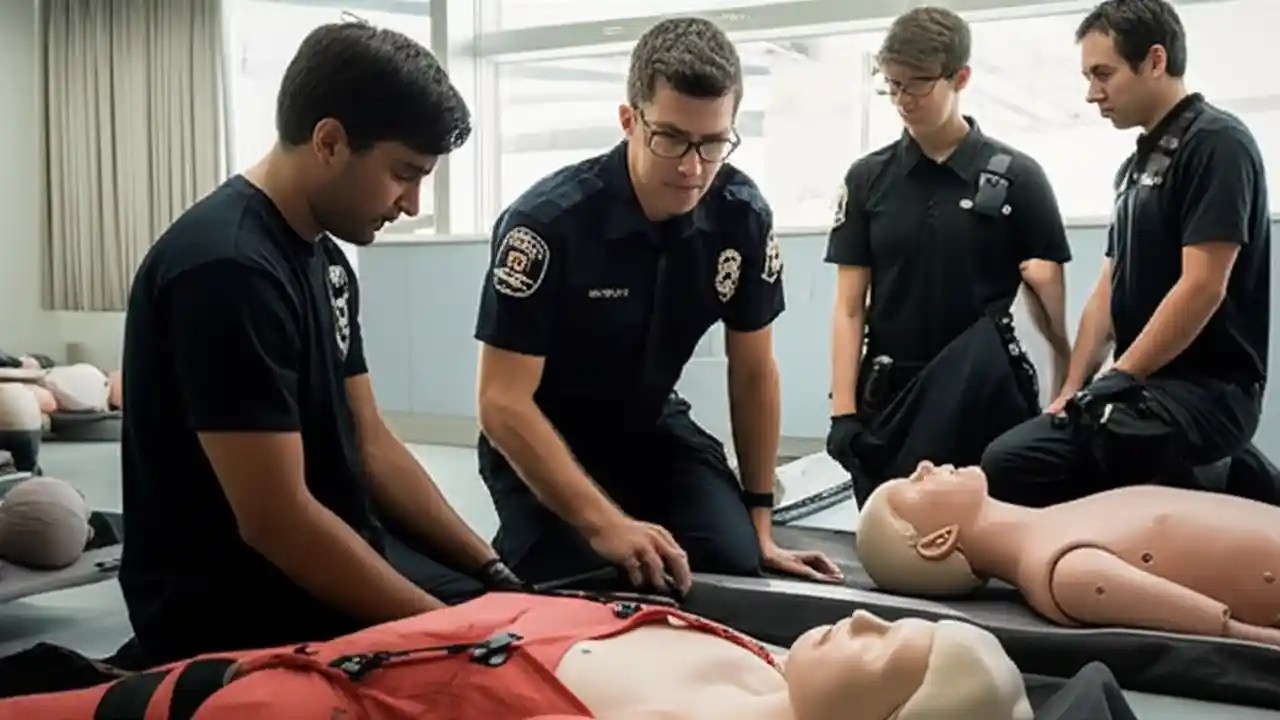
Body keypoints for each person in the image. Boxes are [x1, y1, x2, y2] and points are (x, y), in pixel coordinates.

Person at [115, 21, 520, 669]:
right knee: (491, 664)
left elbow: (372, 445)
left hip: (331, 554)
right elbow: (275, 522)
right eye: (403, 174)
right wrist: (450, 637)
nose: (412, 204)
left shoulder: (325, 259)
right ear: (329, 141)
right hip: (235, 605)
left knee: (519, 618)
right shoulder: (227, 269)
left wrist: (494, 569)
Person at [473, 17, 841, 593]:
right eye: (670, 138)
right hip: (545, 435)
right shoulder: (546, 225)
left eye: (713, 142)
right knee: (582, 581)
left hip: (650, 425)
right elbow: (501, 402)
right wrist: (606, 525)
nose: (692, 167)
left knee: (732, 560)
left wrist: (761, 524)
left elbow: (753, 372)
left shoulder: (740, 215)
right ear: (629, 120)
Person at [981, 0, 1272, 507]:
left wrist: (1117, 379)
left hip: (1210, 392)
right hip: (1148, 390)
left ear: (1155, 61)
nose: (1092, 93)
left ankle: (1223, 478)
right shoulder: (1133, 170)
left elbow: (1203, 286)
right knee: (1033, 442)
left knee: (1014, 463)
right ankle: (1231, 479)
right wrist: (1072, 391)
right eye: (1088, 77)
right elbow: (1107, 292)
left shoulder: (1217, 144)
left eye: (1103, 74)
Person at [0, 591, 1052, 720]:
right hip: (372, 650)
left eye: (885, 645)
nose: (859, 616)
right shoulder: (777, 670)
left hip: (326, 701)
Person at [825, 6, 1073, 506]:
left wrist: (1061, 398)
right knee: (894, 542)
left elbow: (1053, 316)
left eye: (917, 84)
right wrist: (843, 413)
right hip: (891, 397)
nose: (902, 99)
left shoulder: (1020, 178)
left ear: (960, 77)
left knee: (986, 542)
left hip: (984, 396)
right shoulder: (867, 179)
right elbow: (850, 306)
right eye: (892, 84)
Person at [858, 459, 1280, 647]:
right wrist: (1260, 640)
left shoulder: (1054, 527)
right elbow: (1226, 630)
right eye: (913, 484)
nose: (924, 466)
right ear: (939, 541)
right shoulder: (1059, 570)